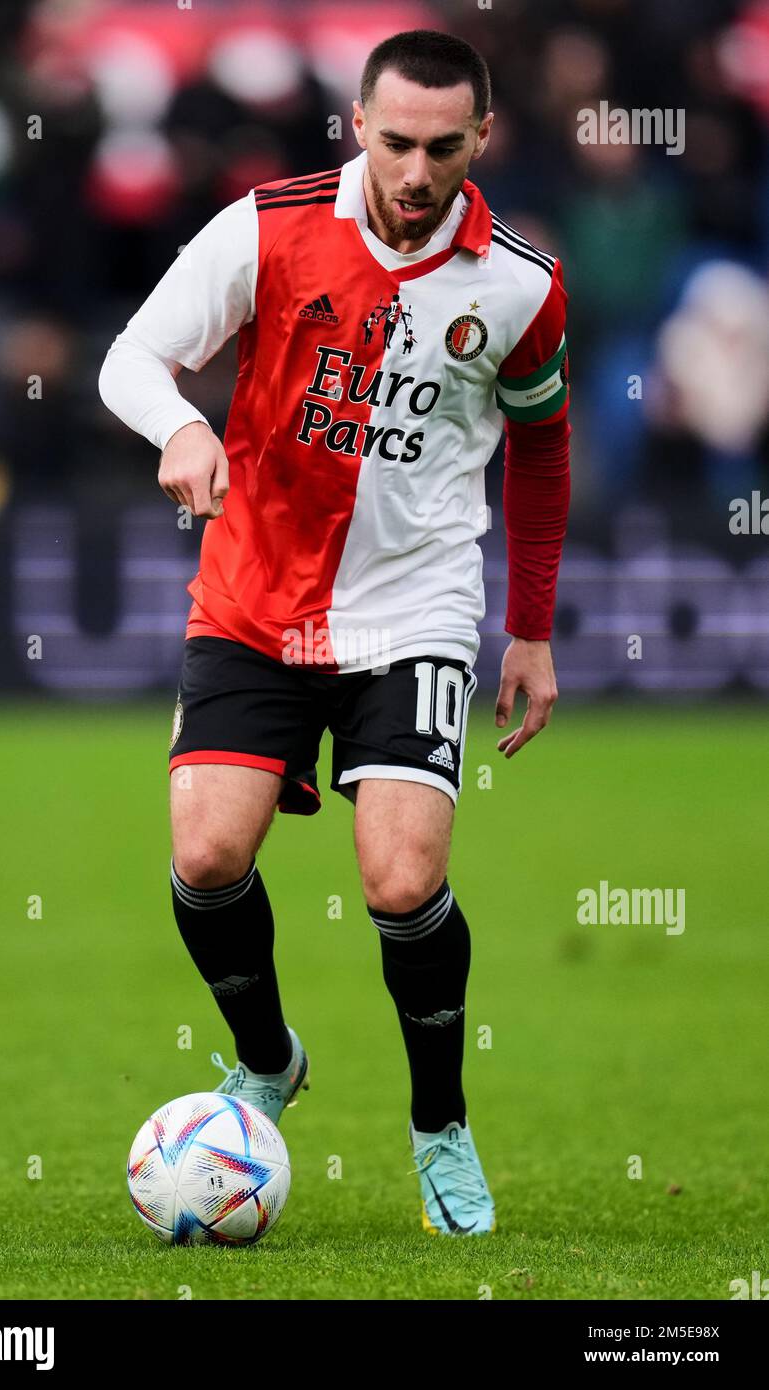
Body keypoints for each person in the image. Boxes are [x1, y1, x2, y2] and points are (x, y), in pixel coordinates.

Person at [99, 28, 571, 1238]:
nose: (415, 170)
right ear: (358, 126)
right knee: (206, 860)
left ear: (480, 140)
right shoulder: (266, 225)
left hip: (411, 607)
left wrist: (528, 629)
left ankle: (438, 1129)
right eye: (396, 140)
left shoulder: (518, 283)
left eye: (442, 145)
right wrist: (179, 430)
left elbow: (541, 442)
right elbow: (130, 357)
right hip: (253, 595)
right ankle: (267, 1059)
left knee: (402, 877)